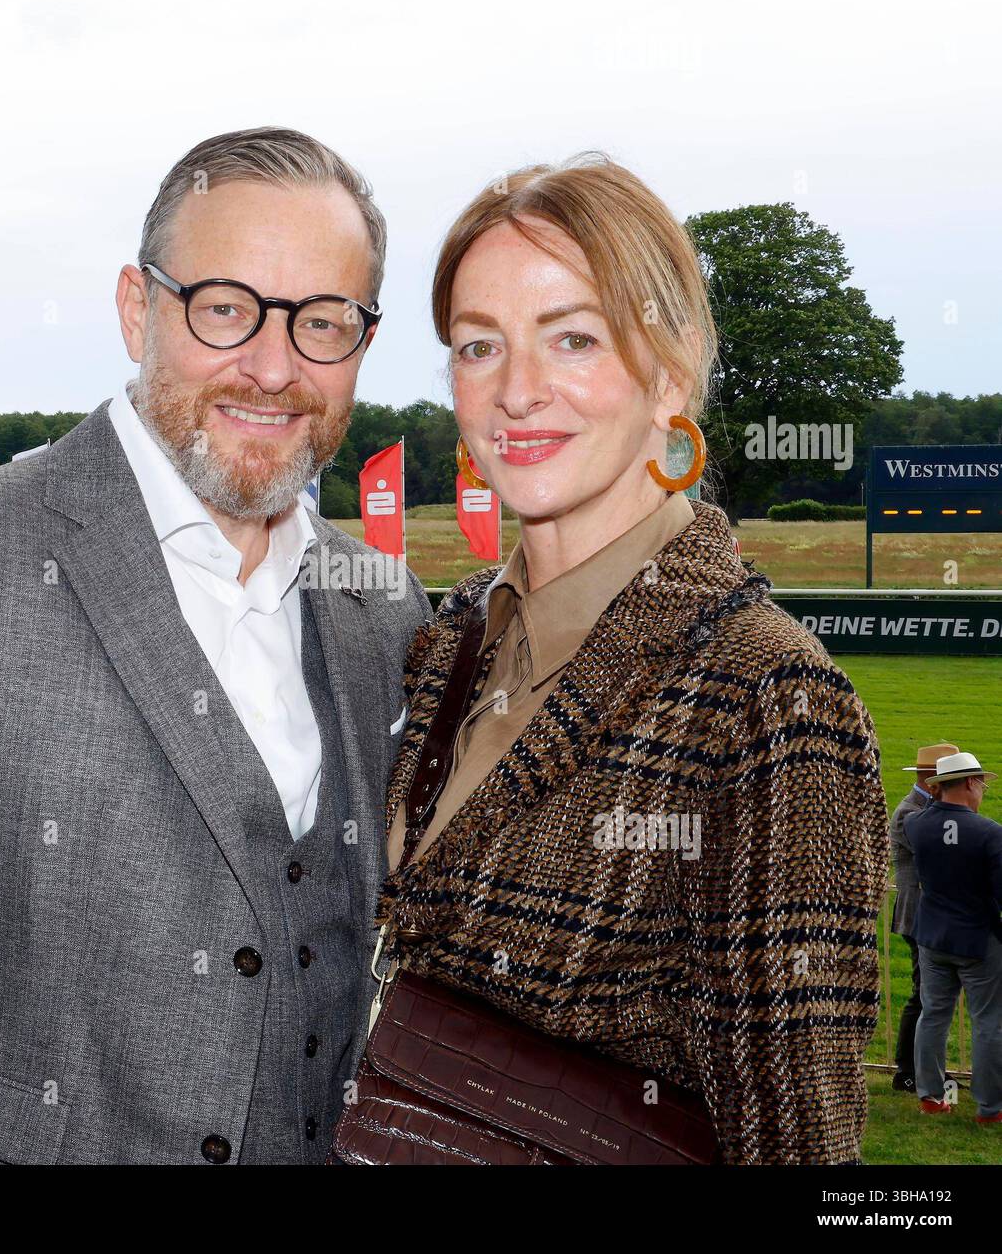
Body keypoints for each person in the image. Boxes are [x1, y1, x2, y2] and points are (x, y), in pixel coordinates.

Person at [0, 127, 433, 1165]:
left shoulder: (385, 604)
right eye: (227, 307)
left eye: (323, 321)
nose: (274, 365)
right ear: (135, 308)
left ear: (361, 344)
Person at [372, 155, 888, 1165]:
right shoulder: (444, 644)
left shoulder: (769, 700)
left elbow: (798, 1143)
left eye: (572, 336)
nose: (516, 390)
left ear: (668, 371)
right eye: (479, 345)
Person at [906, 751, 1002, 1121]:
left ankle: (930, 1095)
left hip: (931, 935)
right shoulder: (990, 833)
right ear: (967, 783)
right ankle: (990, 1106)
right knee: (988, 1022)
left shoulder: (916, 825)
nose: (982, 791)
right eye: (981, 783)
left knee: (932, 1016)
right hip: (979, 939)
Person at [890, 742, 958, 1092]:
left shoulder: (924, 808)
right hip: (919, 913)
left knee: (928, 993)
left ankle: (914, 1069)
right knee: (924, 994)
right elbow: (940, 856)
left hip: (928, 912)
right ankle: (907, 1069)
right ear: (933, 779)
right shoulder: (909, 812)